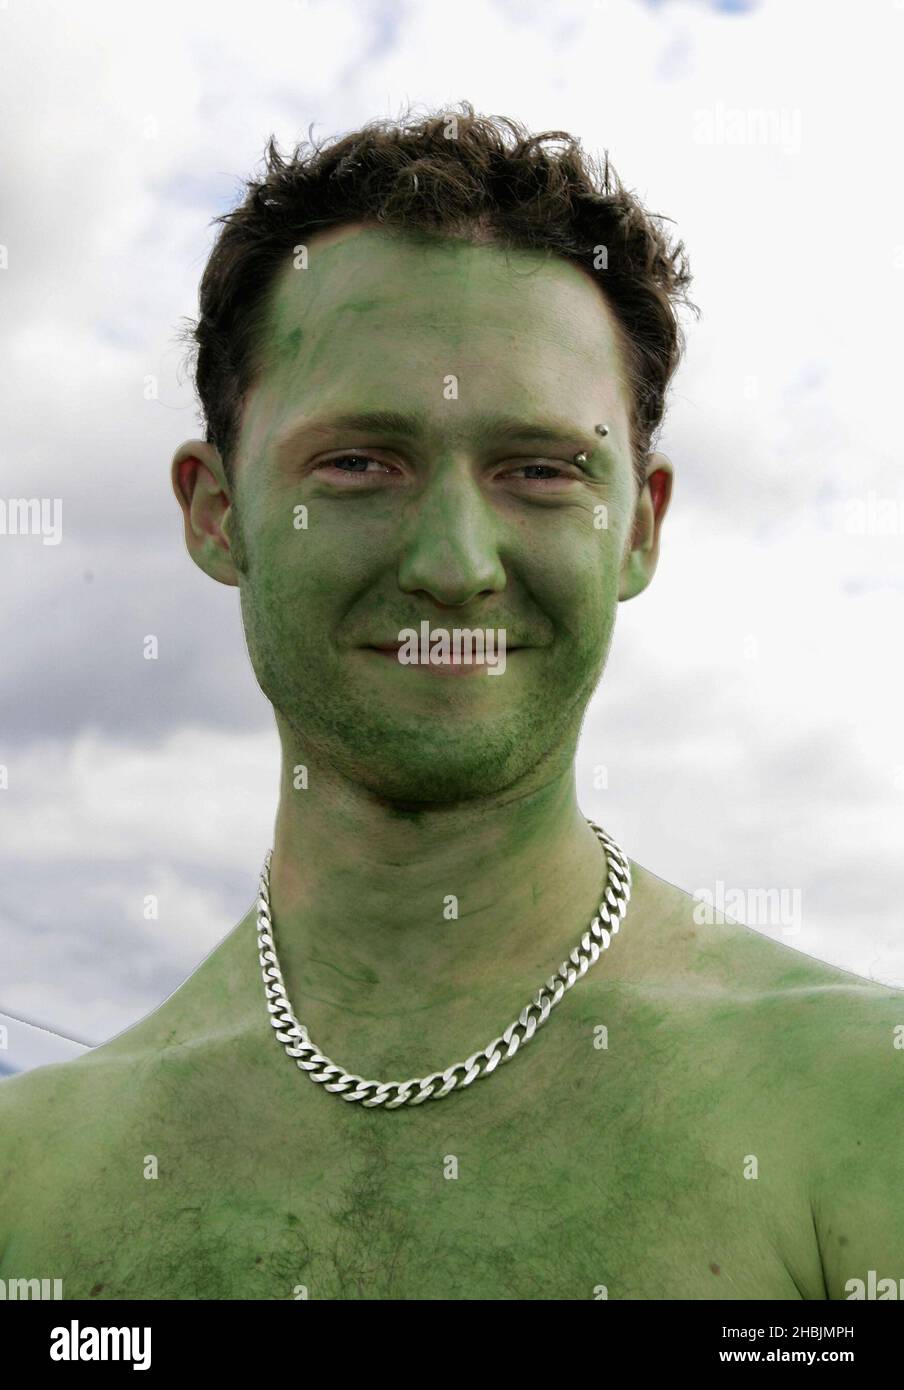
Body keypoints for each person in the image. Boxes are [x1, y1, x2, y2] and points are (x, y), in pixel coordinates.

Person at [1, 103, 901, 1302]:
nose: (454, 559)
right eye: (360, 463)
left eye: (539, 469)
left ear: (636, 528)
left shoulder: (860, 1107)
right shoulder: (35, 1175)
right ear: (216, 512)